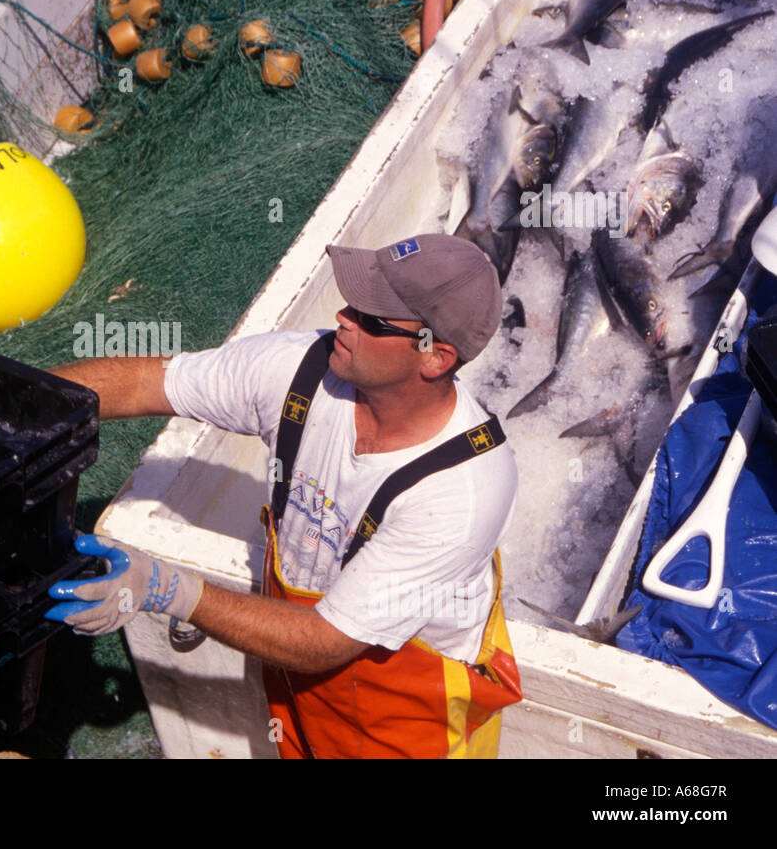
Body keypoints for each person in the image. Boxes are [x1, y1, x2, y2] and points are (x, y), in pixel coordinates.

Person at [45, 234, 523, 758]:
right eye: (353, 301)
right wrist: (7, 407)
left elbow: (326, 641)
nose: (344, 316)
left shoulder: (464, 491)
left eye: (372, 319)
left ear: (435, 358)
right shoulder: (299, 370)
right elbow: (143, 383)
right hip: (302, 691)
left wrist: (167, 588)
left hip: (409, 720)